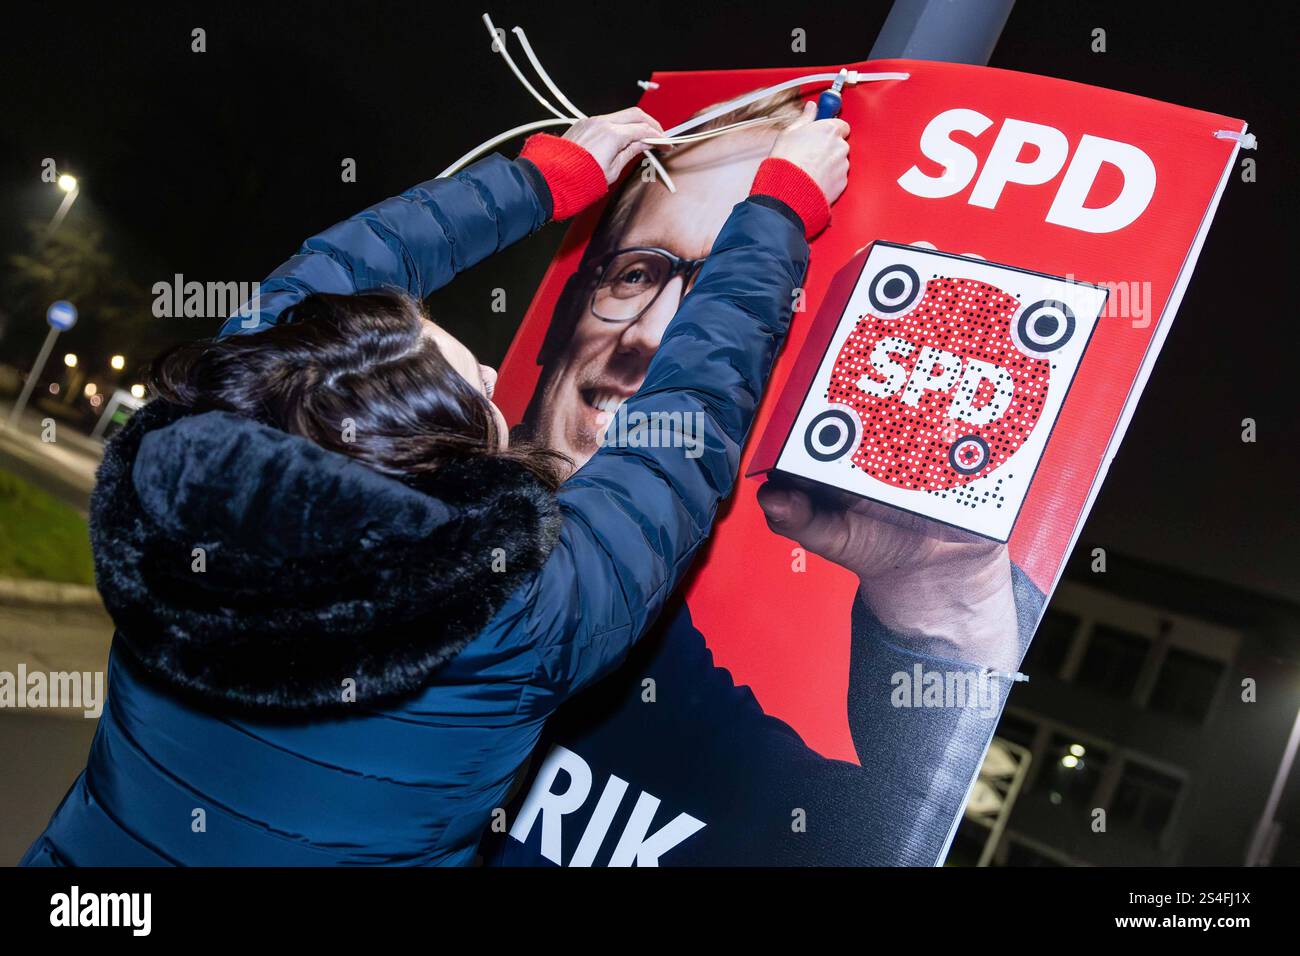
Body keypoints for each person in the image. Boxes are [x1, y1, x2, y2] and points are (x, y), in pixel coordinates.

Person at [20, 103, 851, 866]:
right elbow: (686, 424)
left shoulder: (177, 474)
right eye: (475, 387)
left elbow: (318, 295)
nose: (495, 370)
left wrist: (538, 179)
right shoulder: (523, 615)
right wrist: (774, 217)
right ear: (435, 465)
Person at [491, 90, 1046, 867]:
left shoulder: (668, 701)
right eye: (636, 274)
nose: (653, 335)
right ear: (564, 315)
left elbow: (868, 841)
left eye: (720, 286)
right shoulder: (387, 548)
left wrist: (939, 587)